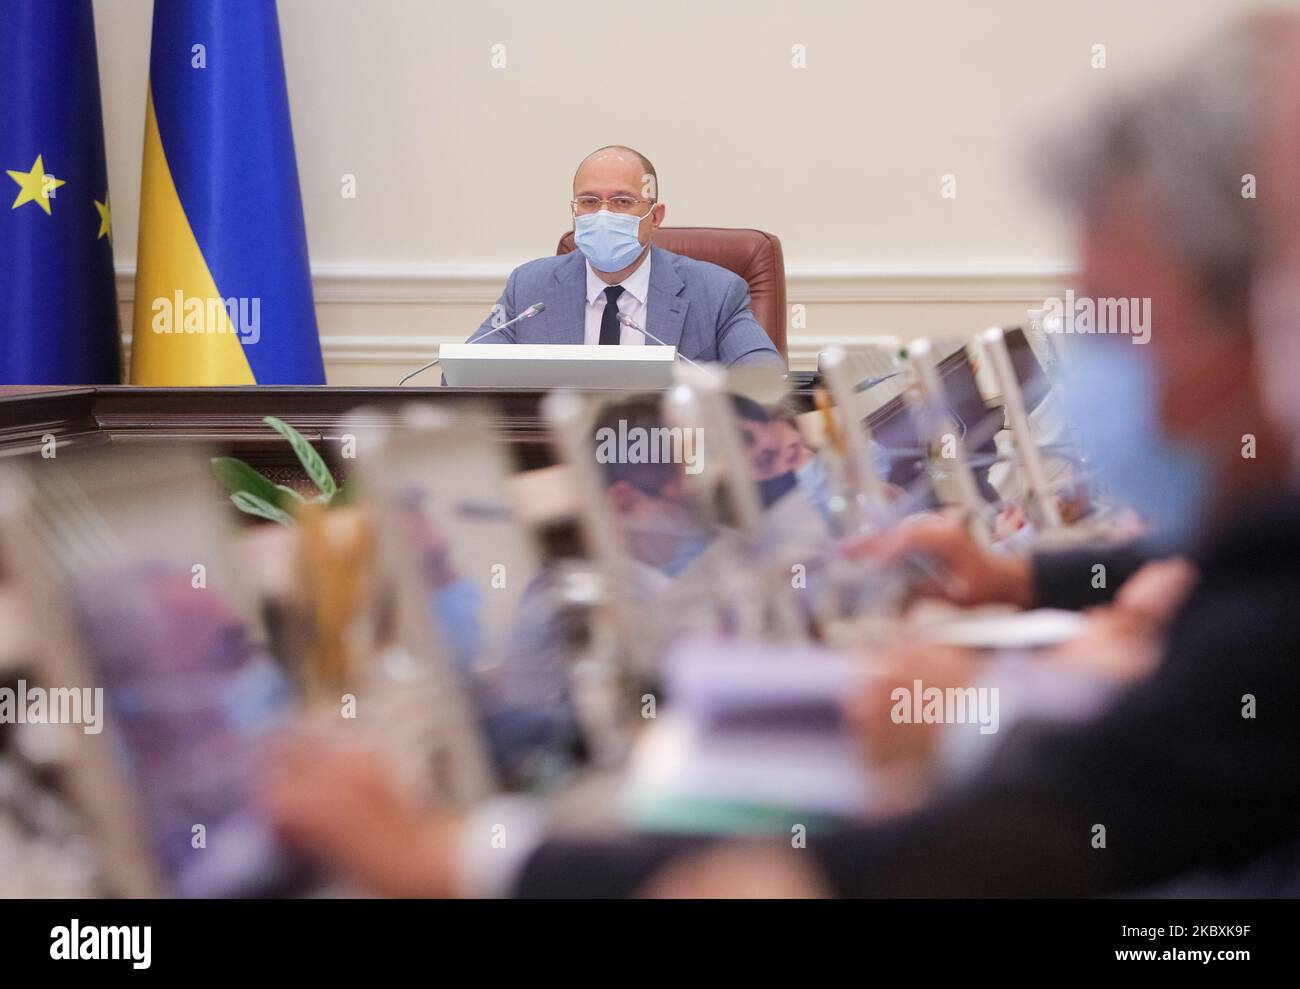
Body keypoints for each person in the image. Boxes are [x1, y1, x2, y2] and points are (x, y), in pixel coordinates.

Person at [263, 16, 1300, 898]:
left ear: (1259, 313)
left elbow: (983, 844)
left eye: (1116, 318)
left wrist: (463, 855)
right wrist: (1019, 589)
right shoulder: (534, 282)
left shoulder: (708, 293)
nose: (1094, 352)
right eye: (587, 201)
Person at [466, 146, 784, 369]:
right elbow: (460, 377)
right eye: (589, 201)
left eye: (621, 201)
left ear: (655, 216)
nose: (603, 214)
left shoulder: (717, 293)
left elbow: (764, 380)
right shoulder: (529, 288)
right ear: (574, 211)